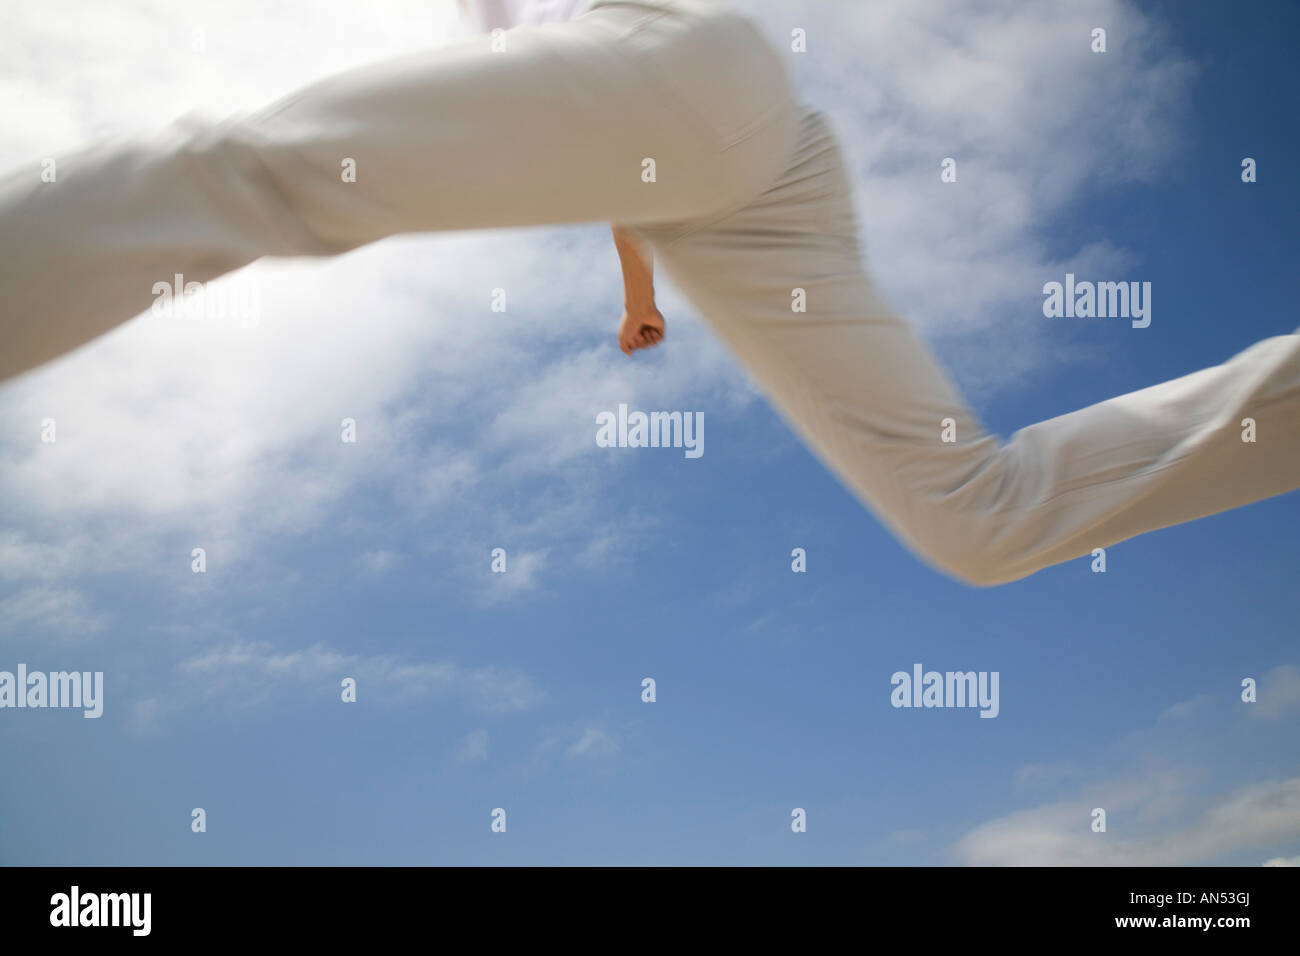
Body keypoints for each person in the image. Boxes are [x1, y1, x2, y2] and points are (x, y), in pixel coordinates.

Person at [0, 0, 1296, 585]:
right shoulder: (519, 53)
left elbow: (628, 111)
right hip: (737, 163)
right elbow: (614, 159)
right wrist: (641, 296)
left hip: (690, 78)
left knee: (252, 177)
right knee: (976, 523)